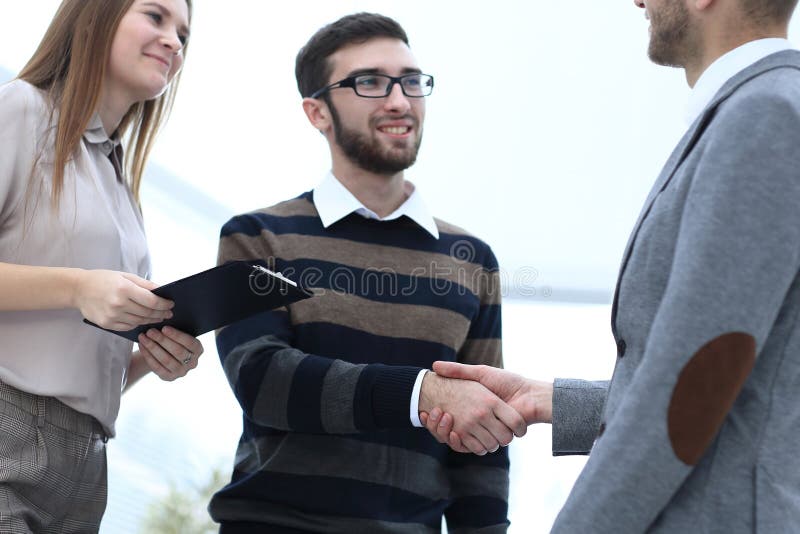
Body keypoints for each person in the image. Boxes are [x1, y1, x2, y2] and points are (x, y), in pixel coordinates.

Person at [422, 0, 800, 531]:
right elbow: (744, 391)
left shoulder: (763, 117)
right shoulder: (762, 109)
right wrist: (547, 399)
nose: (638, 2)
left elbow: (692, 390)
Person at [210, 12, 526, 533]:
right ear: (318, 112)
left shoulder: (471, 260)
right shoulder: (254, 236)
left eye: (411, 81)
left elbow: (481, 448)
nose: (400, 101)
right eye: (370, 83)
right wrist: (419, 393)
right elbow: (263, 381)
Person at [0, 0, 203, 531]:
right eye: (155, 17)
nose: (174, 41)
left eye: (183, 32)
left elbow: (84, 357)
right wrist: (78, 287)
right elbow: (78, 297)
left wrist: (149, 358)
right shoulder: (22, 110)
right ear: (96, 15)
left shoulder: (122, 190)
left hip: (87, 467)